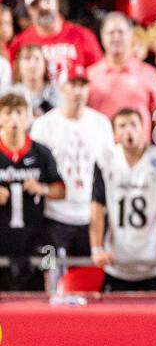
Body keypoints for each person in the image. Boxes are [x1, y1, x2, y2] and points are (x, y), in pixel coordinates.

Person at [89, 108, 156, 292]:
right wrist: (96, 247)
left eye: (133, 124)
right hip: (117, 264)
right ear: (114, 133)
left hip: (155, 264)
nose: (129, 130)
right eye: (122, 126)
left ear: (144, 129)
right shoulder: (105, 161)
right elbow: (97, 207)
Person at [29, 64, 113, 257]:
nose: (78, 90)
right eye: (73, 84)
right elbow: (35, 169)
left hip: (91, 214)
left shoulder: (101, 124)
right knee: (49, 270)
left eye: (83, 85)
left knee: (90, 274)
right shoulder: (43, 125)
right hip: (54, 215)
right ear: (61, 87)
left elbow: (109, 169)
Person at [0, 92, 65, 291]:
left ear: (28, 117)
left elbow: (61, 190)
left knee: (35, 293)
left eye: (19, 112)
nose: (14, 119)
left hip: (33, 236)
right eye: (8, 113)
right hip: (2, 235)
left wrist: (42, 188)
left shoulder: (41, 152)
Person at [87, 13, 156, 147]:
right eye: (111, 32)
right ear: (102, 38)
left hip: (140, 156)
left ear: (130, 36)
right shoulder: (90, 75)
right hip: (101, 153)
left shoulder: (148, 73)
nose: (116, 37)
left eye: (121, 32)